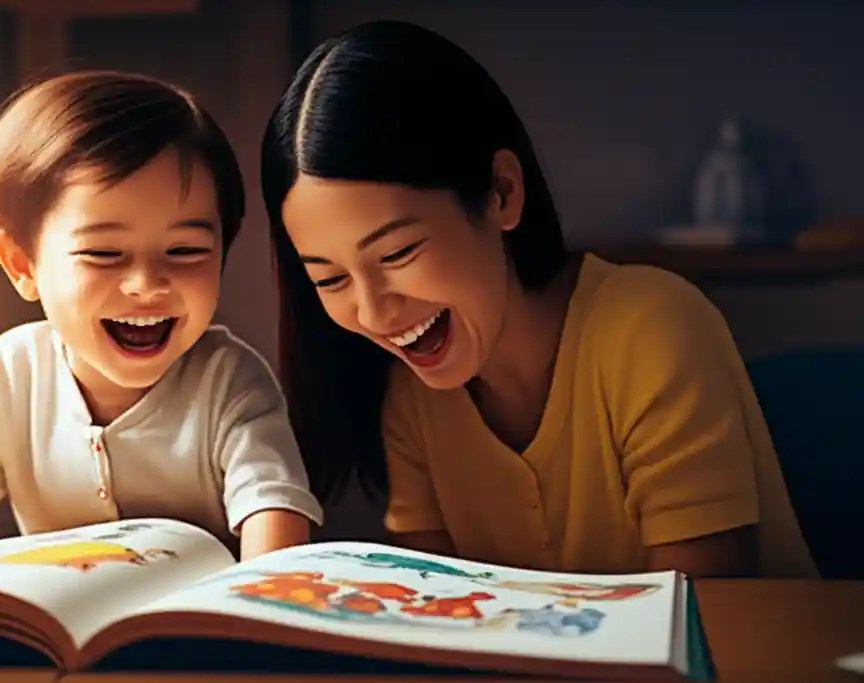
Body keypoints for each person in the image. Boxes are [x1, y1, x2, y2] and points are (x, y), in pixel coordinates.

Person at [260, 21, 815, 577]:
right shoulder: (413, 401)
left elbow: (696, 612)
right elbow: (427, 607)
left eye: (398, 252)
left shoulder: (653, 330)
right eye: (330, 280)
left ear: (502, 193)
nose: (375, 313)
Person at [0, 71, 322, 560]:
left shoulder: (230, 383)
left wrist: (252, 601)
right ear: (22, 264)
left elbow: (274, 517)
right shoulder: (7, 376)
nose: (147, 285)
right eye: (103, 253)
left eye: (185, 250)